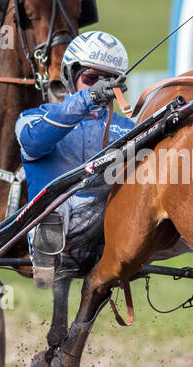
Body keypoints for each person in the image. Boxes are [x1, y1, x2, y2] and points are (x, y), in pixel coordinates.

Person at [15, 30, 133, 281]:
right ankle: (46, 255)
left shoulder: (127, 128)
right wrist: (86, 100)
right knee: (55, 210)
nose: (102, 87)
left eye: (109, 81)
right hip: (55, 214)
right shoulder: (33, 117)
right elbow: (33, 143)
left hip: (107, 219)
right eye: (92, 79)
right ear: (70, 75)